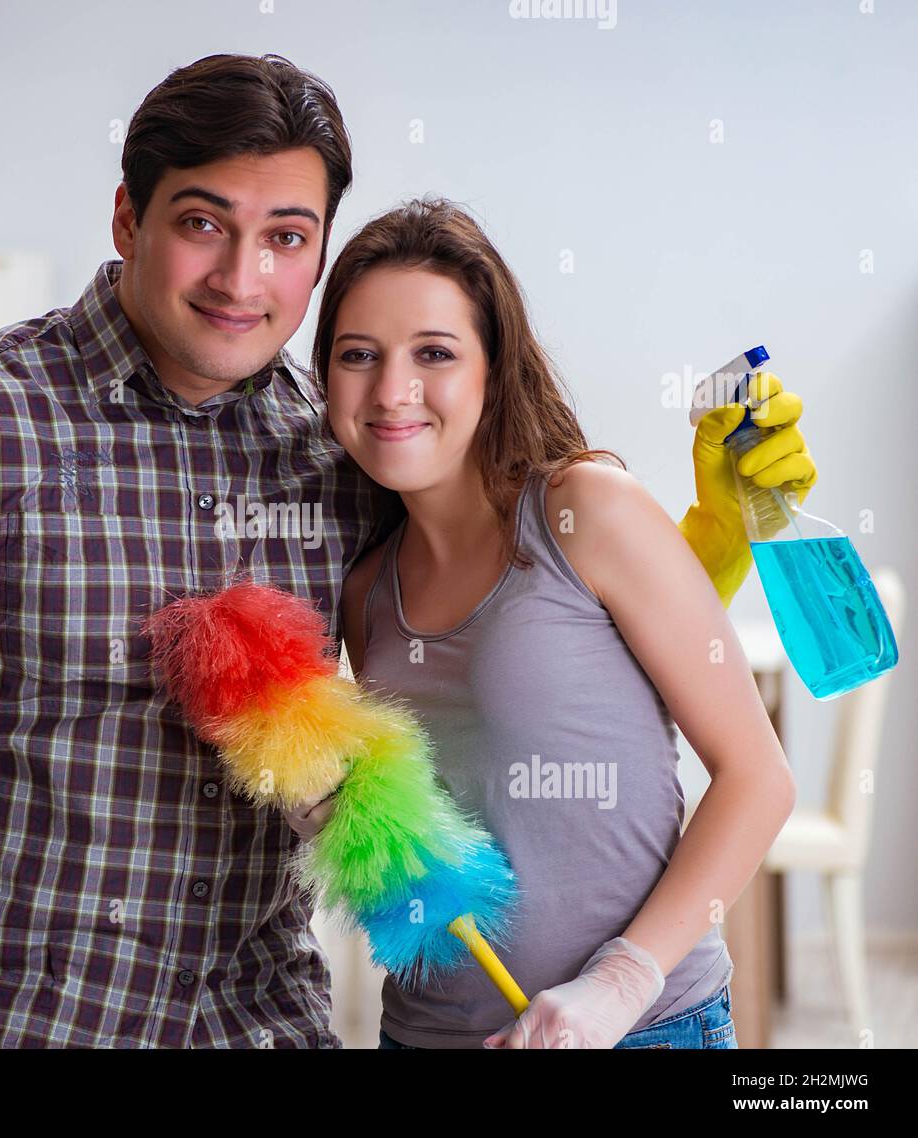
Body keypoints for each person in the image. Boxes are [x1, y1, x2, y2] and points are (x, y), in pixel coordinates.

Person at [0, 55, 813, 1049]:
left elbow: (500, 623)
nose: (240, 277)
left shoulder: (333, 449)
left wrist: (702, 548)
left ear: (315, 258)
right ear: (128, 218)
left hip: (255, 1019)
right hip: (8, 1020)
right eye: (201, 222)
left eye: (285, 238)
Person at [306, 196, 804, 1049]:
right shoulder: (365, 592)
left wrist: (617, 987)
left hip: (641, 1031)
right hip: (425, 1035)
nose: (393, 391)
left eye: (435, 353)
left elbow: (759, 780)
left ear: (493, 371)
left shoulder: (587, 509)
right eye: (359, 355)